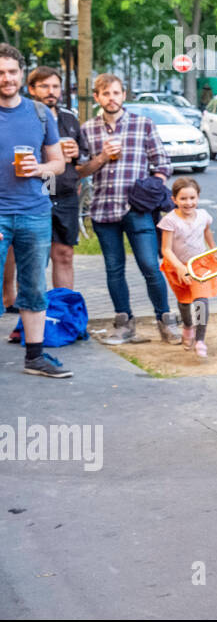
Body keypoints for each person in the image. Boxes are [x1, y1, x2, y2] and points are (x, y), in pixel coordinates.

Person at [79, 73, 180, 345]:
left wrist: (151, 190)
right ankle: (124, 323)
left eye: (116, 93)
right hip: (103, 210)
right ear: (97, 97)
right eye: (106, 94)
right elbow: (80, 170)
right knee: (114, 269)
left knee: (150, 265)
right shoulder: (87, 129)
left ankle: (165, 320)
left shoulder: (142, 124)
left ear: (124, 95)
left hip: (137, 210)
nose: (112, 98)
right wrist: (101, 157)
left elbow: (163, 165)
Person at [0, 44, 71, 376]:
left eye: (12, 71)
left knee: (33, 287)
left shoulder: (40, 113)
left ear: (20, 74)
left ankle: (35, 357)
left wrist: (39, 168)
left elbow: (59, 163)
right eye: (0, 73)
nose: (6, 78)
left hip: (35, 212)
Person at [27, 67, 86, 291]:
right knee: (34, 258)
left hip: (65, 195)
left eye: (55, 87)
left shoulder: (69, 117)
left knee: (65, 254)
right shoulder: (24, 115)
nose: (51, 92)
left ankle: (63, 311)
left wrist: (76, 152)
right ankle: (31, 312)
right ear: (31, 89)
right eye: (44, 86)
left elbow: (83, 156)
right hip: (34, 193)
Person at [157, 177, 217, 359]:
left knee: (201, 300)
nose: (188, 203)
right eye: (183, 199)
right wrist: (179, 267)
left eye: (192, 198)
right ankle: (187, 326)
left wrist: (214, 249)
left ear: (198, 197)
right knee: (185, 302)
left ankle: (200, 339)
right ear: (174, 199)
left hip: (199, 265)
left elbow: (207, 231)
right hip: (177, 266)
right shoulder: (170, 221)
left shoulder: (203, 215)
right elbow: (166, 249)